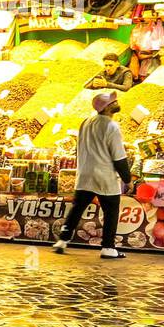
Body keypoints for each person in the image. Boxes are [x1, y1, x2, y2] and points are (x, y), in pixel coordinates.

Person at [52, 91, 132, 259]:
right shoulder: (111, 126)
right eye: (112, 101)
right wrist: (127, 178)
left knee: (77, 208)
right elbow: (118, 156)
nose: (116, 102)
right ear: (107, 107)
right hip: (105, 175)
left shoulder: (86, 122)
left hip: (85, 174)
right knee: (111, 210)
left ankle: (62, 240)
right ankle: (108, 247)